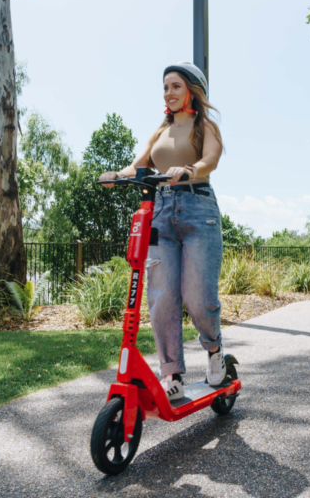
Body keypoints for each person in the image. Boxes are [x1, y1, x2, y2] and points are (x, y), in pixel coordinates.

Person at [98, 62, 225, 401]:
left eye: (175, 86)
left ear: (192, 91)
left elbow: (211, 159)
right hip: (160, 212)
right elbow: (140, 165)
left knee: (197, 296)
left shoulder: (205, 126)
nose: (168, 92)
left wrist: (191, 169)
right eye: (165, 87)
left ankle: (214, 352)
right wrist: (117, 175)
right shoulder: (160, 130)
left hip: (198, 209)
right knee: (161, 297)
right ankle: (172, 373)